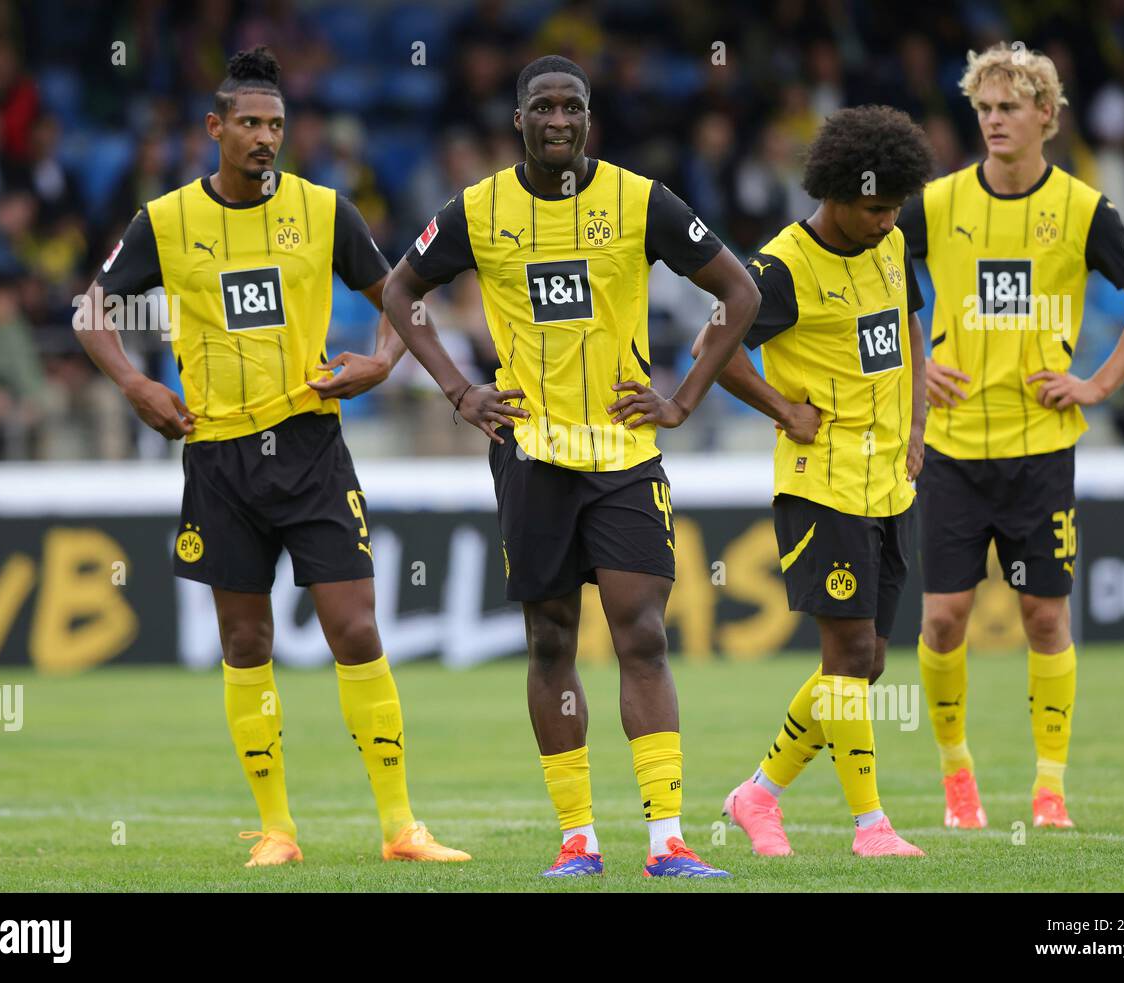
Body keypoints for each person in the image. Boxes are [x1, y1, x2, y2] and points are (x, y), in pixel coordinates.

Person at [75, 47, 469, 867]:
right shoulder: (166, 220)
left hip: (309, 443)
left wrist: (381, 360)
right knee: (245, 641)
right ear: (214, 127)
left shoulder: (325, 211)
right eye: (249, 123)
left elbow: (401, 291)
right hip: (218, 454)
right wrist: (134, 385)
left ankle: (401, 827)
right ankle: (278, 830)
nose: (264, 137)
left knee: (355, 628)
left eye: (276, 125)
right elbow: (90, 309)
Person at [382, 55, 760, 878]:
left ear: (590, 118)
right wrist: (458, 389)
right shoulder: (477, 211)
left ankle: (668, 841)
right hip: (531, 453)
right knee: (550, 638)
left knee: (645, 633)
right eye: (543, 107)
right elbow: (400, 289)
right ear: (518, 120)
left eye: (574, 106)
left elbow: (739, 290)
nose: (559, 120)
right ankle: (578, 839)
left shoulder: (640, 200)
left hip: (623, 450)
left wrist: (683, 398)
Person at [898, 43, 1124, 830]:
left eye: (1009, 108)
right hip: (952, 449)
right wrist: (915, 369)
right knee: (944, 617)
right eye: (983, 109)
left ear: (1046, 118)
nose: (992, 122)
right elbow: (872, 272)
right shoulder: (939, 202)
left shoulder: (1084, 210)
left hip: (1040, 449)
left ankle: (1049, 789)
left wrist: (1098, 384)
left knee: (1044, 618)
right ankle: (958, 780)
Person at [707, 105, 934, 858]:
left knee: (865, 658)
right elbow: (717, 345)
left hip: (888, 484)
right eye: (875, 206)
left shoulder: (893, 242)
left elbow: (908, 325)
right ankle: (872, 825)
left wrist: (917, 425)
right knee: (847, 654)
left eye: (896, 205)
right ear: (833, 191)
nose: (887, 218)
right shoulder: (778, 269)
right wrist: (781, 408)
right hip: (819, 484)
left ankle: (758, 794)